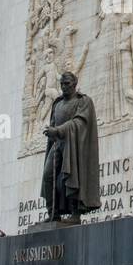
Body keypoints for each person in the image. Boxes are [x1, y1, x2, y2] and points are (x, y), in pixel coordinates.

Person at [41, 72, 101, 223]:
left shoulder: (83, 101)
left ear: (74, 84)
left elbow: (79, 123)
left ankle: (75, 214)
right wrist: (52, 132)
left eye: (67, 84)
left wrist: (59, 130)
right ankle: (53, 213)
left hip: (74, 146)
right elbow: (54, 123)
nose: (64, 87)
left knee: (74, 176)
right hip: (58, 145)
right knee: (48, 175)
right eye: (61, 84)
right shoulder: (58, 103)